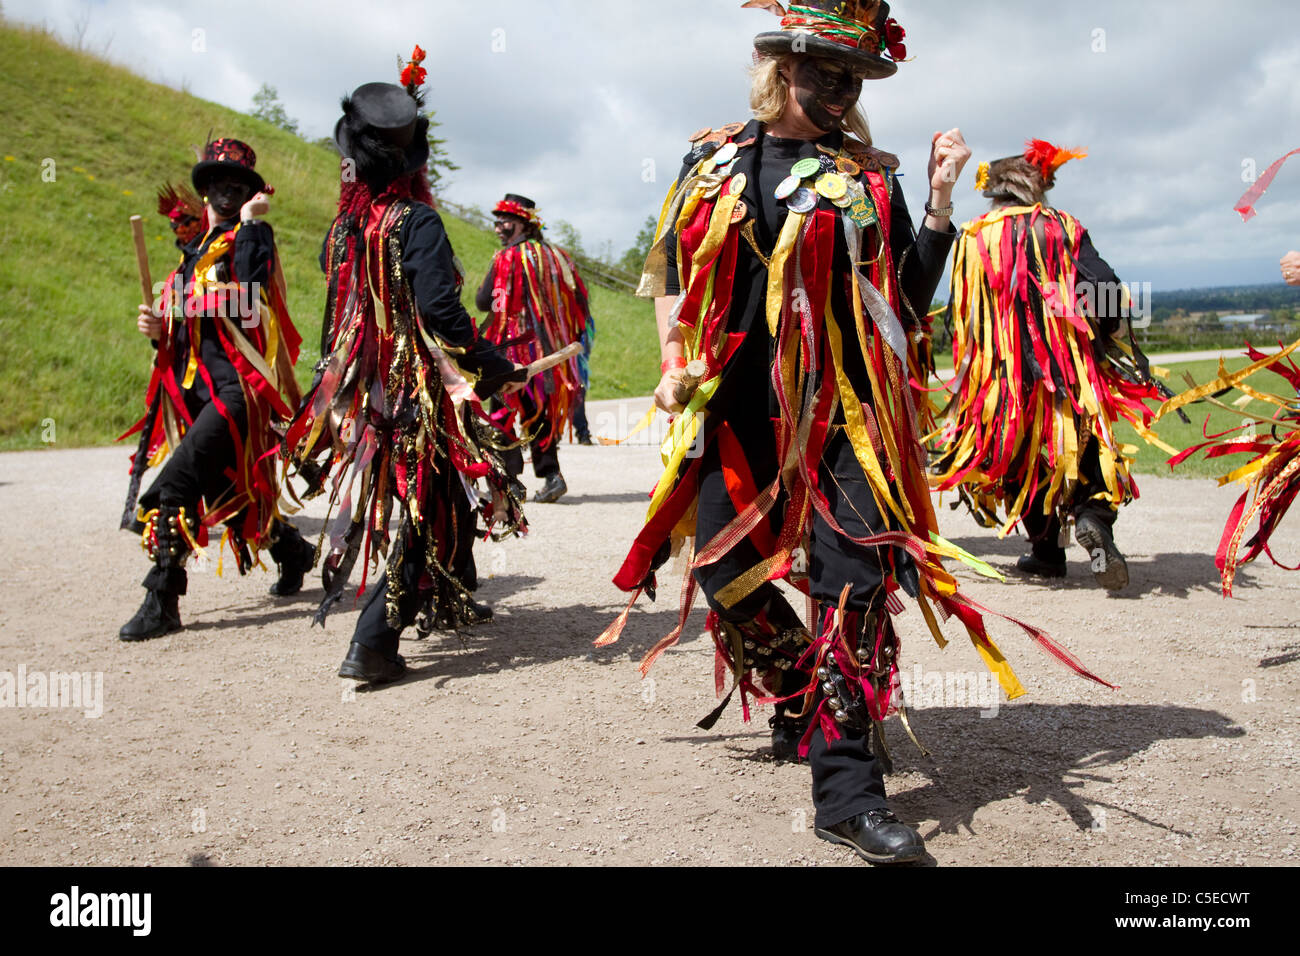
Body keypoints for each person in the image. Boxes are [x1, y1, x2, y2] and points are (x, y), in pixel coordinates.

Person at [600, 0, 1109, 865]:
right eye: (824, 71)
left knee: (852, 587)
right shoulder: (712, 157)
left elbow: (905, 301)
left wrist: (942, 206)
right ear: (780, 69)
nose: (839, 89)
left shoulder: (872, 176)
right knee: (723, 568)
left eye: (853, 77)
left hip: (847, 411)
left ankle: (847, 794)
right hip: (735, 404)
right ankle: (806, 688)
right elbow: (671, 266)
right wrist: (672, 356)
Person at [282, 53, 525, 685]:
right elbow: (442, 310)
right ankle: (373, 642)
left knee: (432, 501)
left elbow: (348, 303)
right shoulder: (416, 223)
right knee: (425, 508)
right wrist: (494, 366)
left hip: (364, 394)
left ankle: (446, 598)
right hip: (416, 392)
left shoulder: (343, 229)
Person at [930, 140, 1172, 591]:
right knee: (1083, 447)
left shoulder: (973, 235)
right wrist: (1115, 330)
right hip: (1067, 370)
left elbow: (961, 312)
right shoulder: (1060, 226)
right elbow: (1102, 287)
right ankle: (1093, 518)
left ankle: (1045, 553)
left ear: (996, 190)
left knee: (1024, 461)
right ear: (1037, 185)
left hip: (1000, 378)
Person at [119, 139, 314, 642]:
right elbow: (187, 331)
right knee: (236, 494)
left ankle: (163, 598)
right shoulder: (194, 254)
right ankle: (293, 551)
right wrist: (160, 329)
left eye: (237, 188)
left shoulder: (253, 238)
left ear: (249, 194)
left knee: (173, 489)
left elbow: (249, 297)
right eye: (217, 186)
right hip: (198, 394)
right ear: (203, 191)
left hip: (239, 392)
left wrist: (251, 222)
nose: (225, 195)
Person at [475, 194, 592, 502]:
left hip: (509, 350)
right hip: (547, 353)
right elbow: (579, 300)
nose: (499, 228)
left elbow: (484, 302)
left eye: (505, 222)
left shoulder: (507, 259)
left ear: (523, 225)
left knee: (502, 413)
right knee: (538, 413)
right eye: (497, 222)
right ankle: (552, 476)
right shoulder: (558, 257)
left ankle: (509, 482)